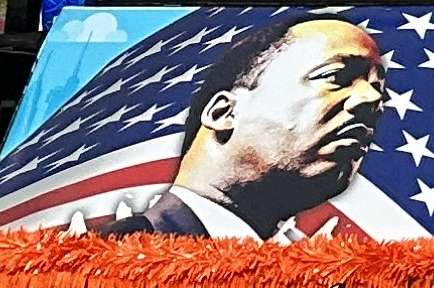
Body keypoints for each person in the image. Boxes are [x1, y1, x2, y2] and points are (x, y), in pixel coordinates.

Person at [78, 15, 386, 238]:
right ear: (223, 112)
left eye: (379, 89)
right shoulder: (120, 257)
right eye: (335, 76)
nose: (372, 99)